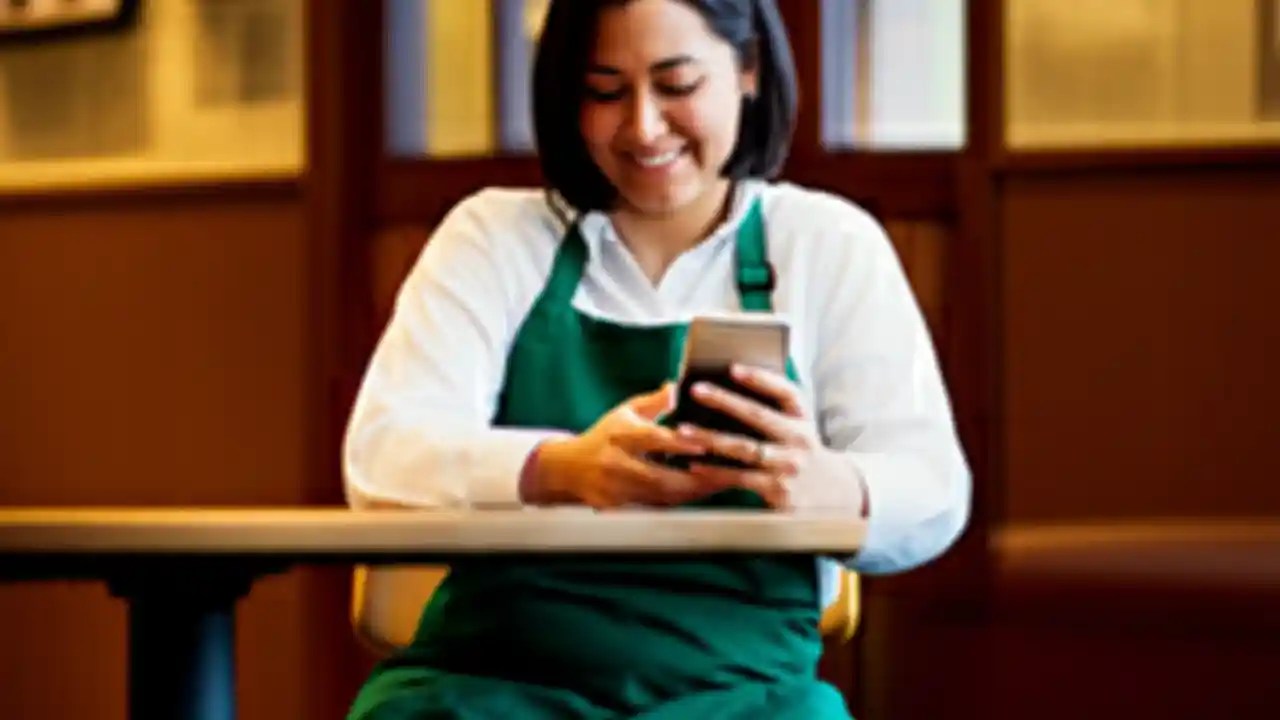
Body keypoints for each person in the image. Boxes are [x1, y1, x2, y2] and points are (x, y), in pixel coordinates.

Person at [342, 0, 970, 717]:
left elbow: (935, 492)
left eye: (676, 86)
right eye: (605, 92)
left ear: (749, 72)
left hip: (743, 696)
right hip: (490, 685)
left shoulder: (826, 243)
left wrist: (829, 482)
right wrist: (559, 470)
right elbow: (382, 457)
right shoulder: (494, 237)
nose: (643, 127)